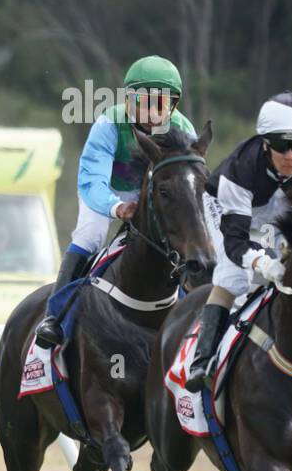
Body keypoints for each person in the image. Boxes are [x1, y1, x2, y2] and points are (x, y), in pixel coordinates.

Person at [35, 55, 197, 347]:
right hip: (107, 190)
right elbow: (93, 179)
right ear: (128, 101)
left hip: (154, 194)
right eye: (142, 101)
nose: (150, 111)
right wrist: (115, 206)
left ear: (172, 105)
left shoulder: (184, 130)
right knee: (90, 236)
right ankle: (54, 318)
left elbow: (192, 186)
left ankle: (193, 318)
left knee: (184, 239)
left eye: (159, 103)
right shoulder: (109, 122)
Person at [185, 92, 292, 391]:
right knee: (235, 278)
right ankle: (202, 359)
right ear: (266, 142)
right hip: (227, 207)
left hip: (277, 209)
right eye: (283, 145)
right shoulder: (241, 169)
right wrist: (264, 263)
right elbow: (235, 242)